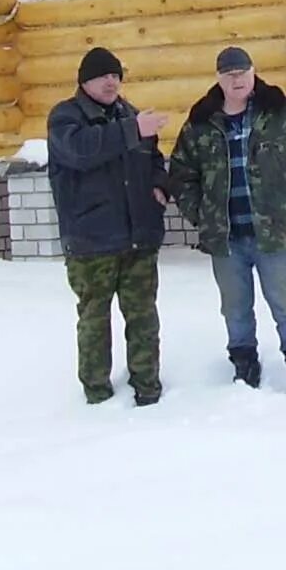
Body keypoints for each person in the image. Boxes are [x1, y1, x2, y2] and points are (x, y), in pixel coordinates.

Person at [168, 46, 286, 391]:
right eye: (229, 75)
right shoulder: (201, 123)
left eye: (242, 73)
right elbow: (181, 172)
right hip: (226, 239)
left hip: (273, 234)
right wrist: (199, 213)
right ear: (219, 79)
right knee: (235, 310)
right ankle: (244, 368)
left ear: (253, 73)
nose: (237, 80)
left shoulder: (280, 112)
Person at [45, 46, 171, 405]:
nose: (112, 81)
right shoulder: (66, 118)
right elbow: (82, 152)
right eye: (104, 75)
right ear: (85, 81)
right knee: (95, 321)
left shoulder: (131, 116)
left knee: (143, 318)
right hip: (91, 242)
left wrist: (161, 186)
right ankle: (97, 394)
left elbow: (154, 160)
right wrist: (132, 129)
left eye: (116, 75)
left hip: (138, 238)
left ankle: (148, 387)